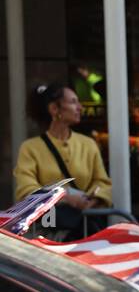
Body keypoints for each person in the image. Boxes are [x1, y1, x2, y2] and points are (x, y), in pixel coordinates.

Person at [14, 83, 113, 236]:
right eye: (73, 102)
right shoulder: (30, 148)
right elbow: (26, 190)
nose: (80, 107)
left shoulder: (88, 144)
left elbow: (103, 183)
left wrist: (93, 199)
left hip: (85, 229)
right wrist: (66, 198)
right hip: (46, 232)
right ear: (54, 109)